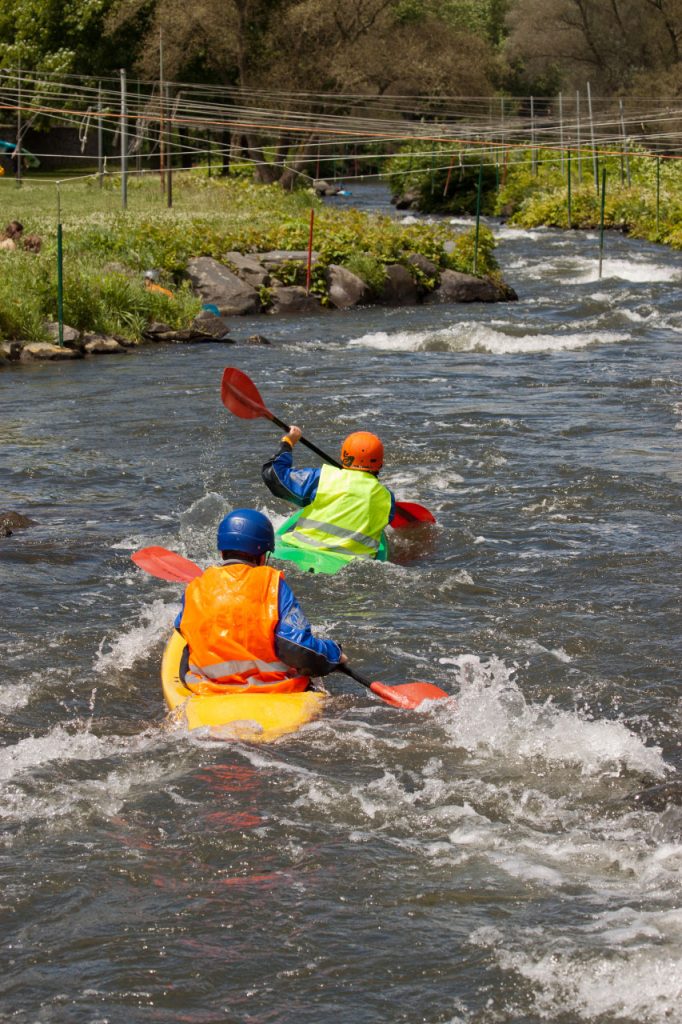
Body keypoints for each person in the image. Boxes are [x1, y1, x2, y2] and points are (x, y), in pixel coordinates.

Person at [175, 508, 346, 695]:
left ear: (222, 552)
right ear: (262, 556)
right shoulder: (272, 584)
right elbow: (297, 648)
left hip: (206, 688)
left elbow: (181, 627)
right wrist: (333, 654)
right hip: (272, 689)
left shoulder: (195, 587)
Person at [262, 427, 395, 561]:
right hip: (352, 562)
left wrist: (287, 442)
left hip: (300, 550)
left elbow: (274, 475)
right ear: (380, 463)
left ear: (344, 456)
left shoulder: (323, 478)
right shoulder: (388, 499)